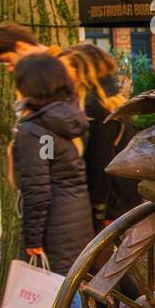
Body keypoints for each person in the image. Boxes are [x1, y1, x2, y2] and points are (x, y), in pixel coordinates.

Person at [11, 54, 95, 308]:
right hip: (75, 210)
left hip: (57, 216)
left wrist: (32, 238)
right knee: (67, 287)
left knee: (63, 292)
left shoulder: (34, 129)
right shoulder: (65, 118)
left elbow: (37, 188)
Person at [60, 43, 141, 229]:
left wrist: (100, 209)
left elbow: (100, 160)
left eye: (66, 68)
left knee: (104, 256)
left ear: (81, 71)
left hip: (111, 202)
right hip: (124, 195)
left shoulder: (93, 107)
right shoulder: (110, 102)